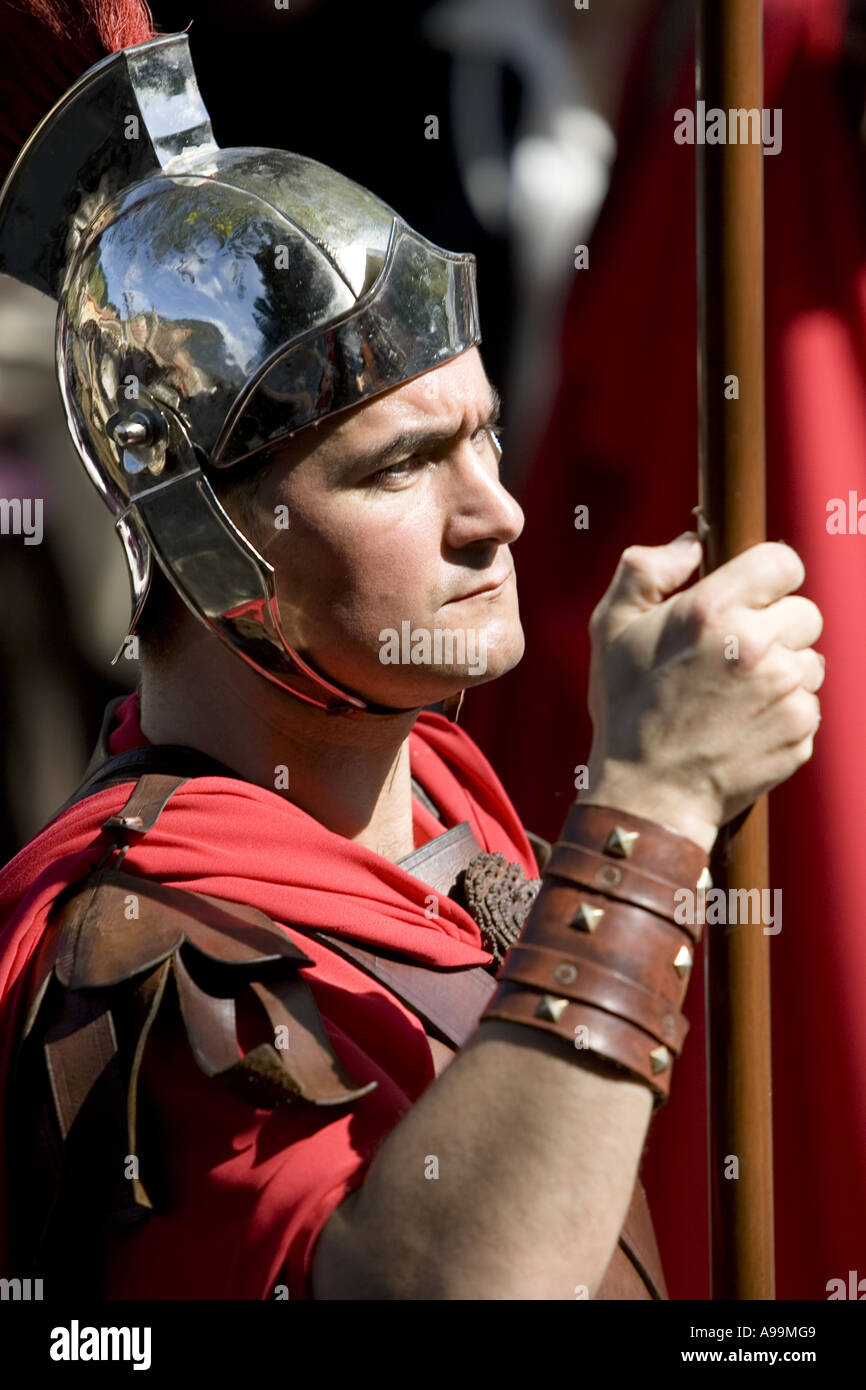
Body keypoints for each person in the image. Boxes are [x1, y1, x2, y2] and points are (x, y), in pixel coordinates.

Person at [0, 9, 823, 1300]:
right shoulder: (140, 942)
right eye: (400, 466)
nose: (493, 509)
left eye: (482, 435)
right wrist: (650, 809)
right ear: (210, 540)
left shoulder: (446, 788)